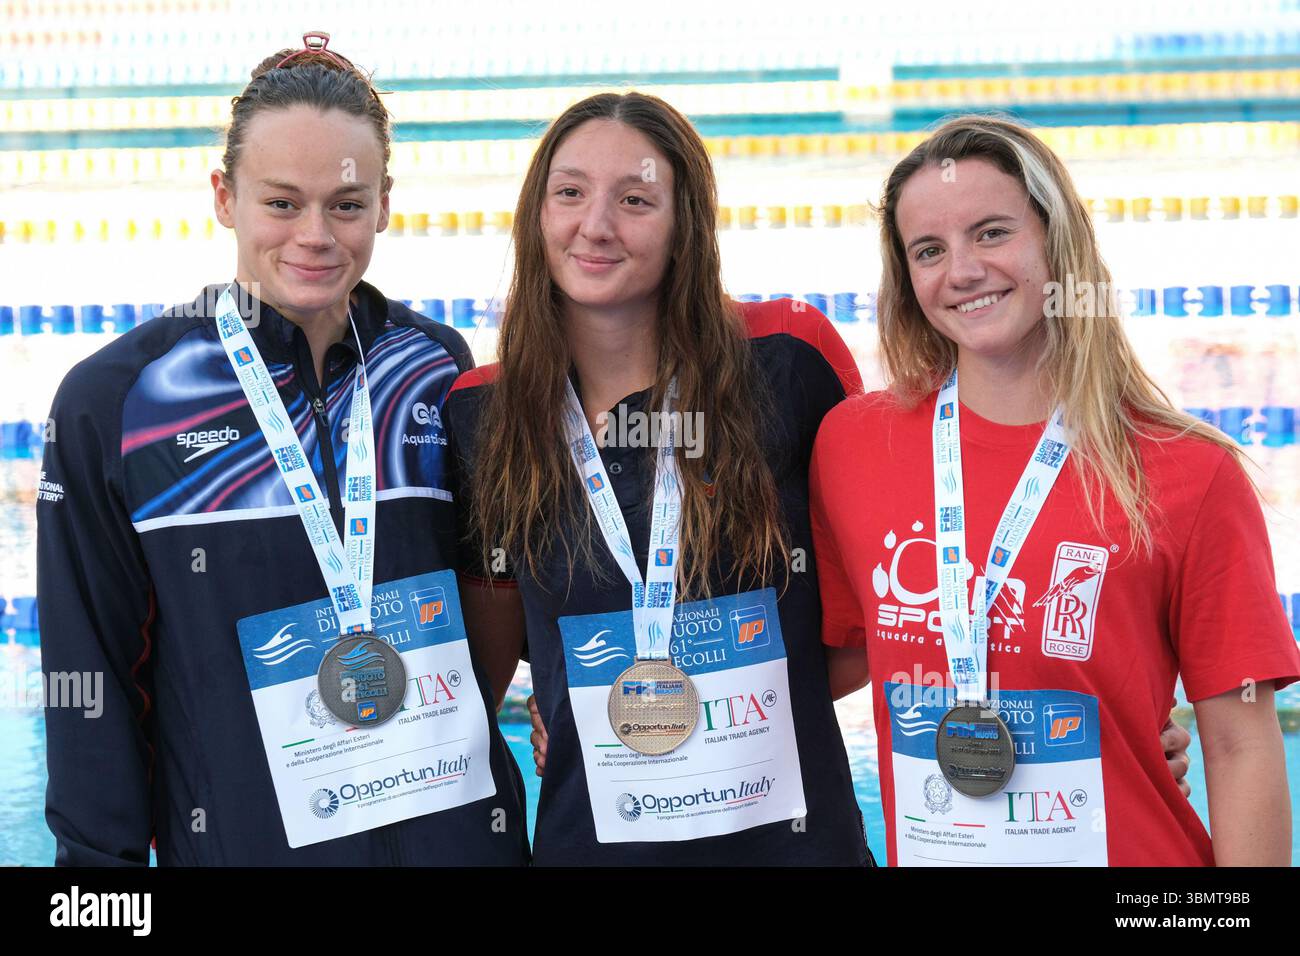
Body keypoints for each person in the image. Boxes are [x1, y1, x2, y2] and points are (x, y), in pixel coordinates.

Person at [37, 34, 529, 865]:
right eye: (280, 203)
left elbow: (502, 584)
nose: (315, 236)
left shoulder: (437, 370)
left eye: (344, 204)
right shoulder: (119, 403)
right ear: (225, 197)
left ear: (383, 203)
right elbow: (91, 681)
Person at [810, 114, 1298, 866]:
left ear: (1056, 243)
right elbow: (833, 660)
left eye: (993, 233)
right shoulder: (852, 446)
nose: (963, 270)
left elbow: (1239, 742)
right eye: (929, 251)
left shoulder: (1188, 475)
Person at [445, 91, 874, 865]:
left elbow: (889, 605)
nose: (595, 225)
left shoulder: (788, 361)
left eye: (635, 200)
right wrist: (575, 709)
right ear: (536, 216)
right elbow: (491, 658)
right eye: (569, 193)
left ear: (686, 228)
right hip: (596, 843)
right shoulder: (483, 414)